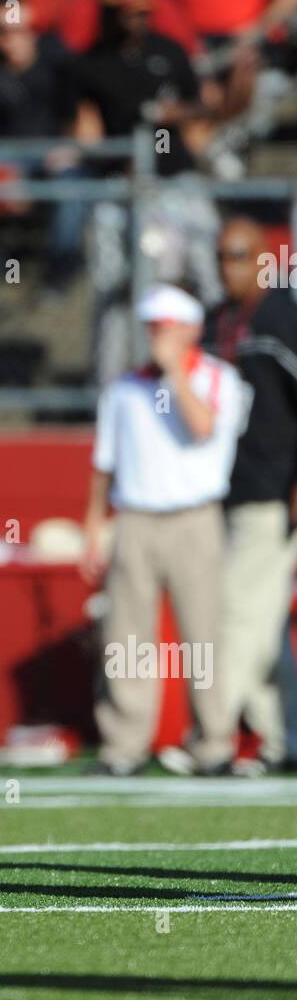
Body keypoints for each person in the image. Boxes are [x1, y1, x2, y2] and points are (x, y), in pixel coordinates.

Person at [82, 284, 244, 775]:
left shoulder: (220, 378)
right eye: (152, 327)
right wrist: (93, 522)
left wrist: (176, 371)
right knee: (126, 639)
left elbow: (202, 427)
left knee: (204, 637)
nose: (156, 335)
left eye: (166, 326)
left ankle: (214, 744)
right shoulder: (124, 387)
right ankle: (123, 746)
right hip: (135, 518)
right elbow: (104, 461)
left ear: (192, 329)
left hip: (195, 518)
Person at [199, 217, 297, 773]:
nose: (226, 267)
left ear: (264, 259)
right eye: (219, 256)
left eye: (237, 256)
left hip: (272, 488)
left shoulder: (283, 318)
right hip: (224, 487)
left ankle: (211, 735)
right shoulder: (220, 319)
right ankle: (285, 737)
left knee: (237, 613)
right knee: (265, 623)